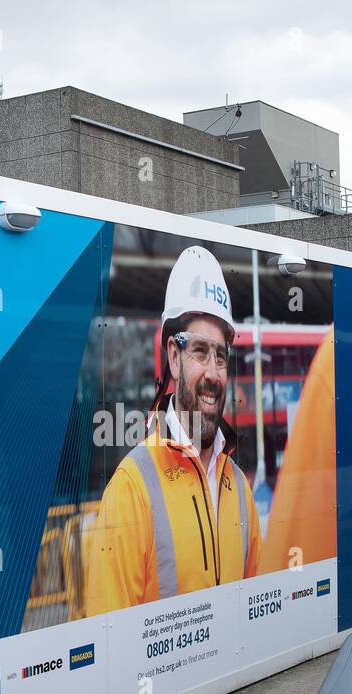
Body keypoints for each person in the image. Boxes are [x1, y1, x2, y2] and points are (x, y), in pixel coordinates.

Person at [85, 246, 261, 615]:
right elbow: (109, 641)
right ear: (173, 357)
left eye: (221, 355)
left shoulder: (240, 489)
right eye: (199, 351)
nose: (213, 374)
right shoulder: (131, 488)